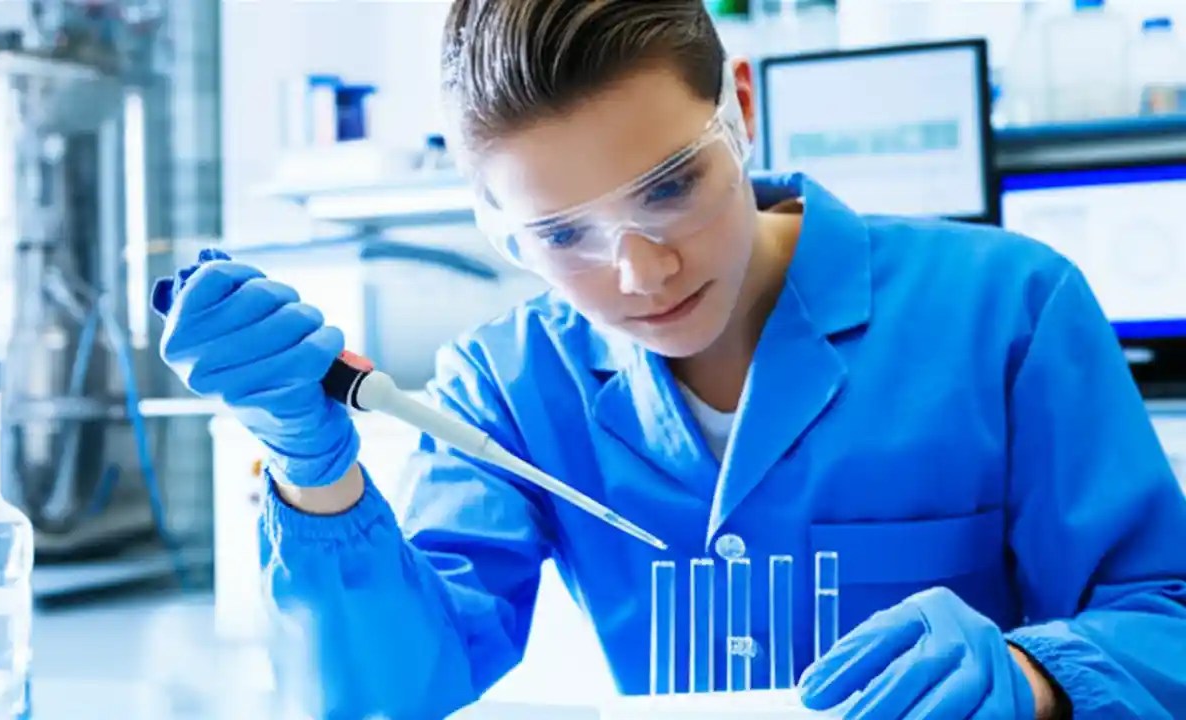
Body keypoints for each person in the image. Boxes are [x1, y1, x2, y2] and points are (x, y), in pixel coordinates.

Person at [153, 1, 1186, 718]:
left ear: (740, 106)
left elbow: (1164, 621)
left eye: (669, 186)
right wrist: (315, 474)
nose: (641, 272)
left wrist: (1035, 677)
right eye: (562, 233)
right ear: (495, 224)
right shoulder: (508, 386)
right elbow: (392, 693)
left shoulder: (1004, 309)